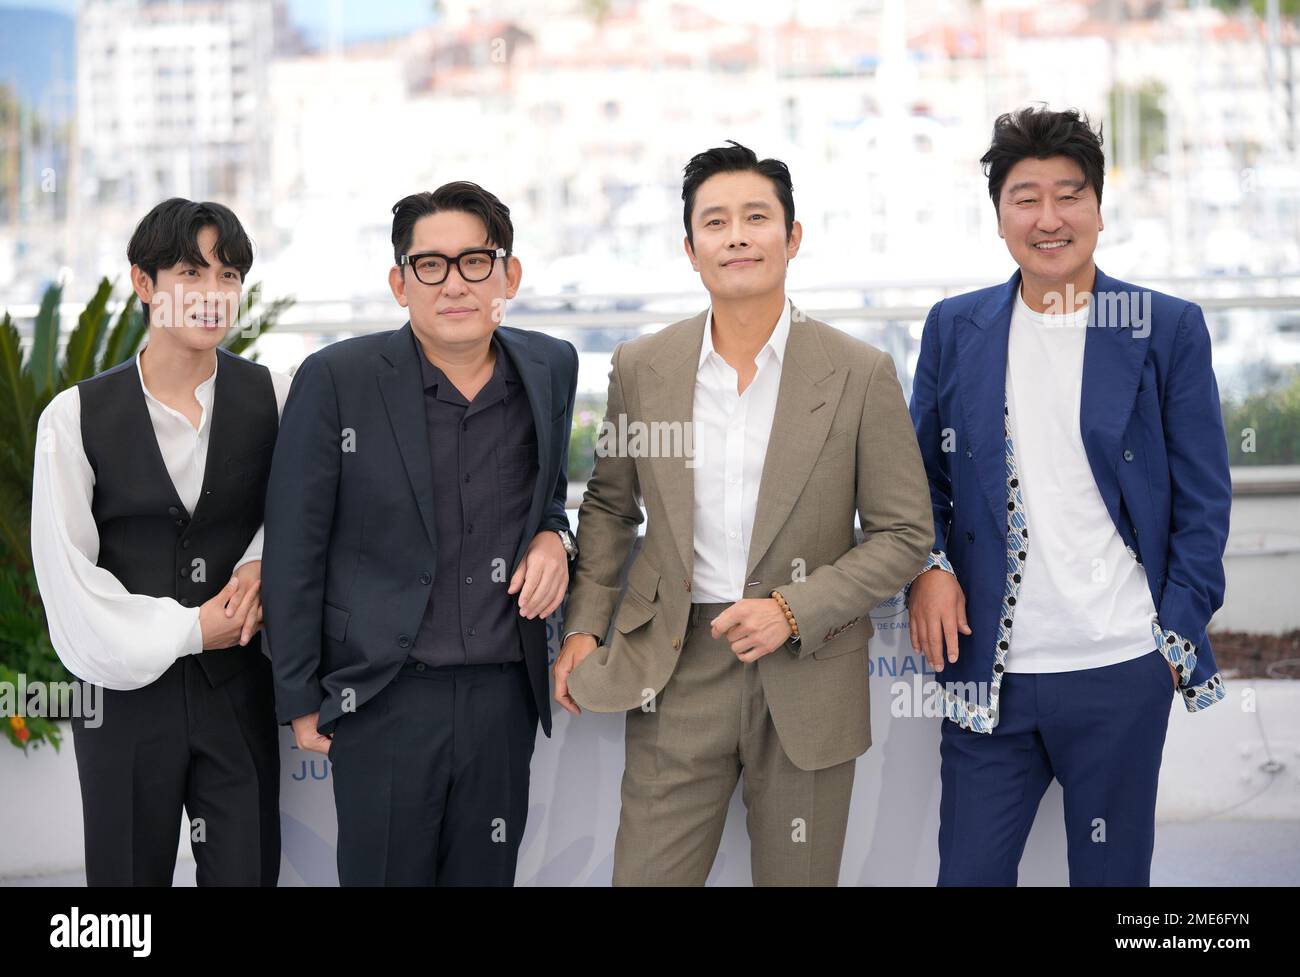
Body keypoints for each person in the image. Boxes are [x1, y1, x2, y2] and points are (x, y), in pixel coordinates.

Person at [553, 141, 933, 885]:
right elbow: (608, 503)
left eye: (756, 217)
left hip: (808, 668)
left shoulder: (860, 372)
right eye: (716, 221)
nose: (736, 235)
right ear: (690, 249)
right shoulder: (641, 366)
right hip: (674, 662)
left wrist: (792, 608)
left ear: (792, 237)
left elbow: (904, 533)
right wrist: (584, 625)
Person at [907, 106, 1232, 886]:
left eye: (1069, 194)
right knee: (970, 876)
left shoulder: (1164, 328)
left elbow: (1203, 503)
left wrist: (1169, 638)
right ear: (998, 216)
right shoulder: (956, 327)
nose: (1049, 218)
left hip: (1122, 666)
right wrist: (927, 564)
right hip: (989, 675)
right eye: (1026, 197)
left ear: (1098, 206)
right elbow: (917, 482)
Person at [263, 181, 579, 886]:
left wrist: (557, 538)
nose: (455, 283)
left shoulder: (551, 366)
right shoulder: (337, 379)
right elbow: (293, 547)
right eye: (430, 265)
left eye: (476, 261)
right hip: (385, 697)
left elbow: (549, 498)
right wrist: (298, 694)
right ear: (400, 283)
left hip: (503, 698)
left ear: (510, 275)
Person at [31, 197, 290, 885]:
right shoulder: (75, 416)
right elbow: (68, 577)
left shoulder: (276, 396)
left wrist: (265, 557)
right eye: (190, 274)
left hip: (238, 691)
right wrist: (189, 627)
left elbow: (308, 508)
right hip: (123, 702)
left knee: (247, 872)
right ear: (143, 284)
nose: (214, 296)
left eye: (229, 276)